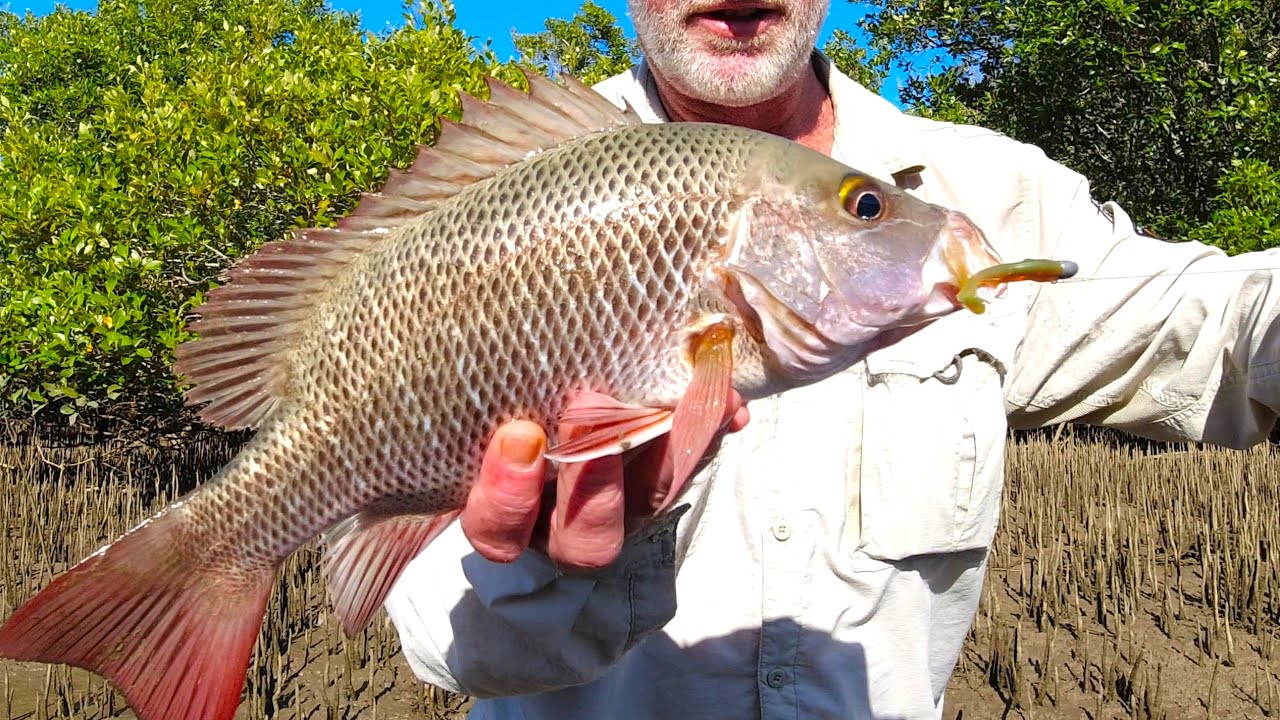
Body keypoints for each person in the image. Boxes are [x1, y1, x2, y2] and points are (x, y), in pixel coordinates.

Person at [385, 1, 1280, 717]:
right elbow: (442, 649)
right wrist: (544, 558)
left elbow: (1222, 322)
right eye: (864, 211)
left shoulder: (994, 196)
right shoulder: (503, 195)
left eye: (864, 210)